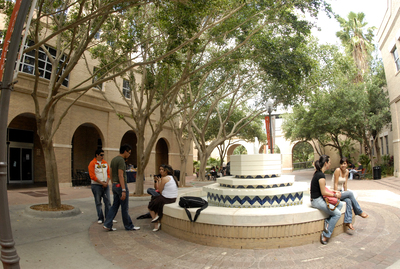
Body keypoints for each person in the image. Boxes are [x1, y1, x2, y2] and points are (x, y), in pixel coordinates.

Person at [103, 144, 140, 231]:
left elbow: (111, 173)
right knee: (124, 208)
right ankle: (129, 226)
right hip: (121, 186)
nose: (129, 155)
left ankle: (107, 224)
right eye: (129, 153)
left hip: (115, 185)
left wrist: (113, 184)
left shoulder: (113, 160)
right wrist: (123, 189)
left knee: (114, 206)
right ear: (125, 151)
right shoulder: (121, 161)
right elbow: (121, 175)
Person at [310, 155, 343, 245]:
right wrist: (335, 195)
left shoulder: (319, 173)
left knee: (340, 205)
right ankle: (326, 234)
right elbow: (324, 192)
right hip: (316, 200)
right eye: (330, 162)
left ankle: (328, 222)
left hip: (319, 198)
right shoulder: (320, 175)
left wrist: (334, 191)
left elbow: (323, 189)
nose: (330, 164)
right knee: (337, 214)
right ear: (326, 163)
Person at [333, 157, 368, 230]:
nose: (343, 165)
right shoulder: (337, 170)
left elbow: (345, 184)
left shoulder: (347, 172)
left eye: (344, 163)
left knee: (348, 200)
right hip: (334, 192)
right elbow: (335, 184)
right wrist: (336, 194)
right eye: (341, 163)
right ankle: (359, 212)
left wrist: (346, 193)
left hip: (341, 192)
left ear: (347, 164)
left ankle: (348, 222)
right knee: (350, 193)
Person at [88, 149, 116, 224]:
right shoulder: (92, 163)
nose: (102, 156)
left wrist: (107, 182)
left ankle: (109, 217)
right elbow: (92, 176)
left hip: (105, 185)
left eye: (103, 155)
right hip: (96, 185)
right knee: (98, 202)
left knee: (108, 201)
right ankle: (100, 217)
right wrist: (101, 182)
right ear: (97, 155)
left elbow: (108, 173)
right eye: (101, 155)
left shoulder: (105, 163)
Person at [148, 164, 178, 232]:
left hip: (166, 198)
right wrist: (157, 181)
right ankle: (157, 217)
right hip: (173, 198)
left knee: (150, 206)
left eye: (162, 170)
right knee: (154, 197)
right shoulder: (173, 177)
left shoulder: (164, 179)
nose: (161, 171)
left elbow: (160, 190)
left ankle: (156, 222)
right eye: (160, 169)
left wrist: (159, 181)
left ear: (166, 171)